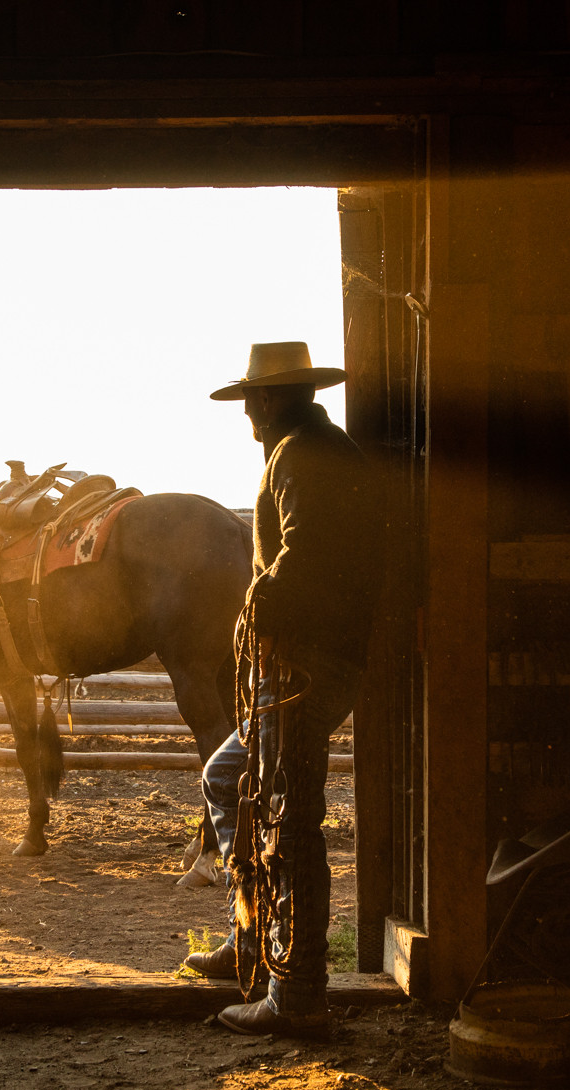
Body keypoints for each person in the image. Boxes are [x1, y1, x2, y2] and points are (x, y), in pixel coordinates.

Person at [185, 342, 381, 1038]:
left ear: (268, 400)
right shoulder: (318, 450)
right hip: (305, 665)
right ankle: (252, 938)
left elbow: (306, 555)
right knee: (231, 776)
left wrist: (258, 603)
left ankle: (296, 991)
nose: (246, 418)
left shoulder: (300, 455)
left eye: (248, 404)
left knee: (287, 821)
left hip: (301, 667)